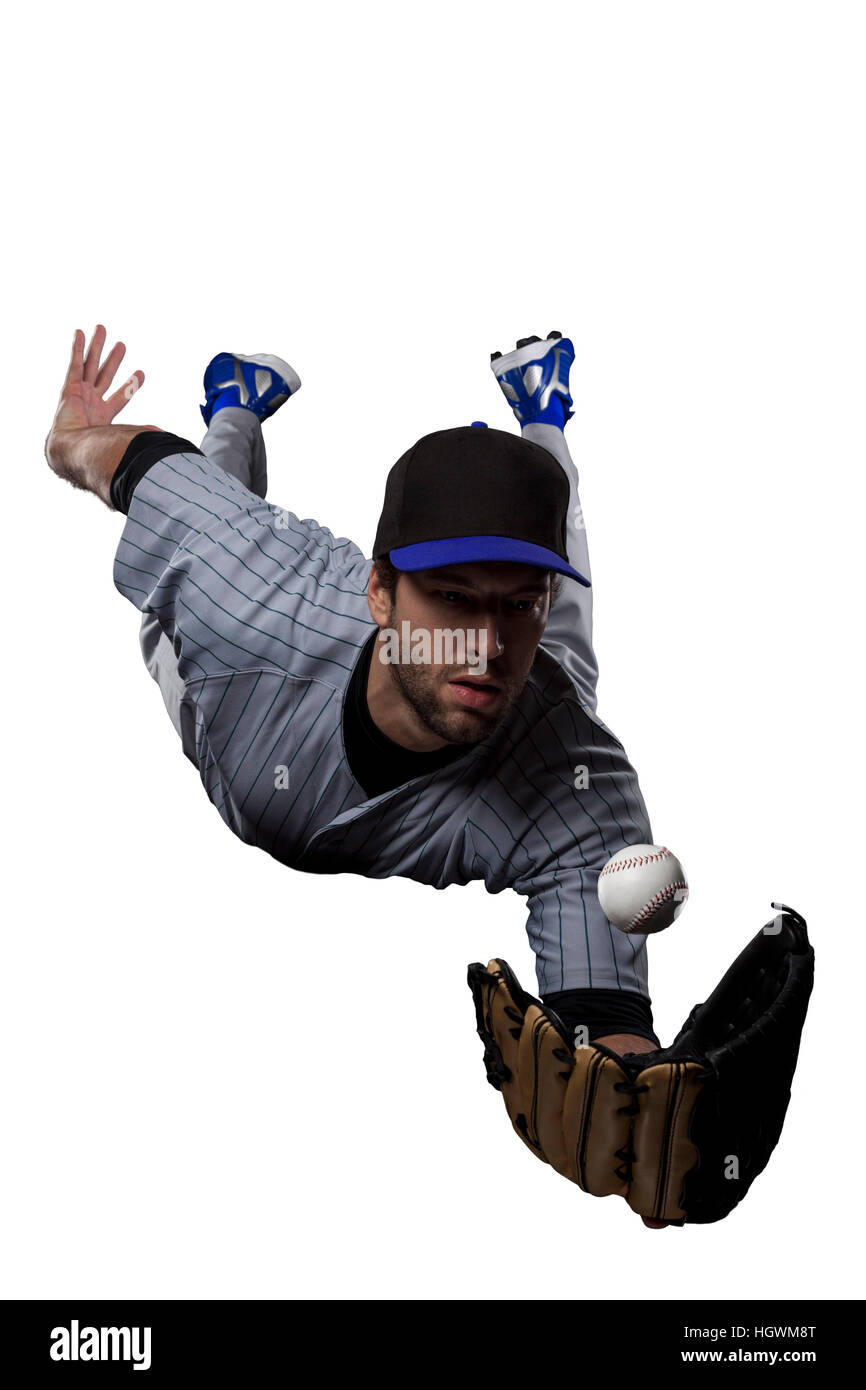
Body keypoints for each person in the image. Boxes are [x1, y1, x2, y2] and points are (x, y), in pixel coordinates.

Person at [45, 326, 670, 1227]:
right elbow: (142, 469)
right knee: (193, 554)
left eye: (512, 606)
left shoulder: (581, 791)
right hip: (233, 721)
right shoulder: (251, 592)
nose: (485, 648)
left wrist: (634, 1081)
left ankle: (545, 413)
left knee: (563, 648)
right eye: (450, 596)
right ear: (383, 593)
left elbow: (604, 1024)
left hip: (536, 732)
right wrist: (71, 438)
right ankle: (234, 400)